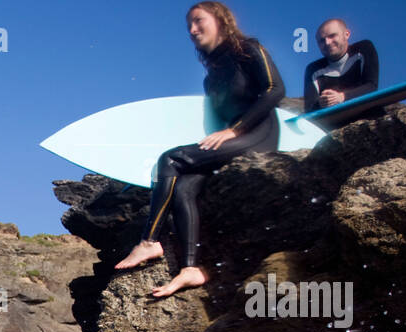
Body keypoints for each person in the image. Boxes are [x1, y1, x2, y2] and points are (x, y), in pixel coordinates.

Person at [115, 2, 284, 298]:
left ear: (219, 19)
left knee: (170, 159)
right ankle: (191, 268)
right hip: (232, 141)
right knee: (183, 188)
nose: (192, 31)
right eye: (188, 27)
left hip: (258, 134)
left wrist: (236, 129)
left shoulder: (248, 49)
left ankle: (149, 241)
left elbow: (274, 90)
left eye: (198, 21)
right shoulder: (211, 77)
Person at [303, 19, 379, 125]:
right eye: (321, 40)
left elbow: (371, 86)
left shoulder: (364, 49)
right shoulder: (313, 69)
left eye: (332, 36)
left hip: (370, 119)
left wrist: (342, 97)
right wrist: (321, 103)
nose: (327, 42)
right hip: (335, 128)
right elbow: (310, 110)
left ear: (346, 34)